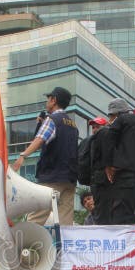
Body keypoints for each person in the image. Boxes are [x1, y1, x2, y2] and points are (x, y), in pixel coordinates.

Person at [11, 86, 79, 226]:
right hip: (70, 179)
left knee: (36, 217)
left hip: (51, 177)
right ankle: (63, 248)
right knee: (66, 222)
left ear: (54, 100)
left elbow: (40, 139)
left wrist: (23, 155)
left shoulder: (52, 119)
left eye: (48, 99)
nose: (47, 102)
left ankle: (25, 246)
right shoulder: (73, 125)